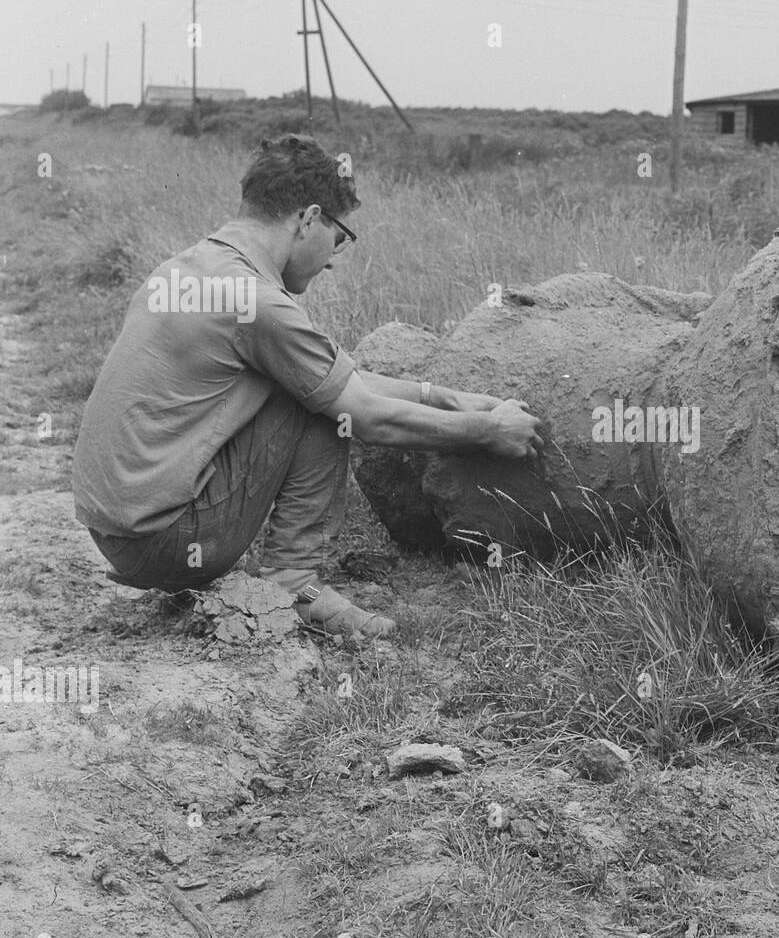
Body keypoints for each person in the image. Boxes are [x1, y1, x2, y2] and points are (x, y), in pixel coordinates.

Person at [71, 133, 542, 640]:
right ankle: (295, 580)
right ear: (309, 218)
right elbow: (364, 415)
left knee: (314, 389)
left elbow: (343, 379)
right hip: (165, 542)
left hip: (116, 533)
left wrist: (448, 399)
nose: (335, 257)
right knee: (318, 404)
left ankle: (284, 574)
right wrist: (489, 431)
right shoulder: (258, 302)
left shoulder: (187, 269)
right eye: (340, 238)